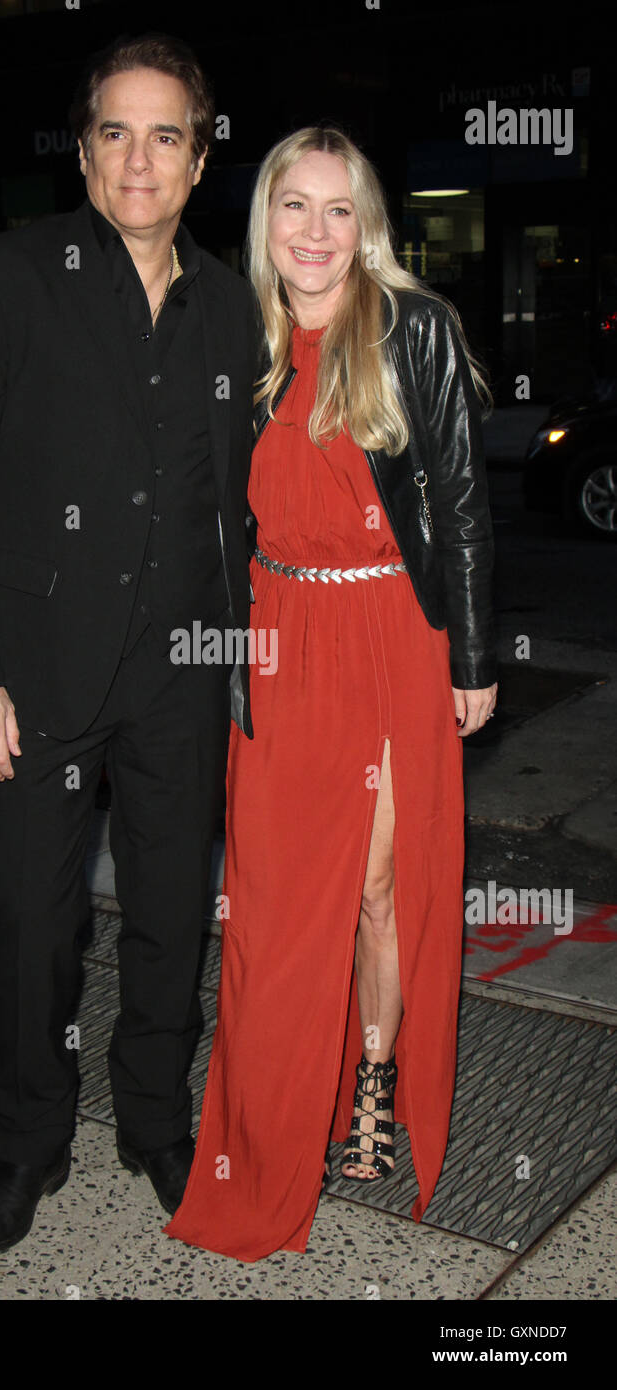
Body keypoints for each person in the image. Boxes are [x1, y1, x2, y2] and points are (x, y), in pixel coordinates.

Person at [0, 33, 259, 1253]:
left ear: (202, 157)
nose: (139, 158)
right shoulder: (7, 277)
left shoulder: (234, 303)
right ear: (84, 144)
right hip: (36, 679)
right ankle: (29, 1144)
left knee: (172, 914)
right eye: (115, 130)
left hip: (181, 679)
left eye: (167, 134)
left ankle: (156, 1124)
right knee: (36, 927)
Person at [164, 126, 498, 1262]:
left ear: (368, 225)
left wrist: (472, 661)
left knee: (373, 888)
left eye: (338, 208)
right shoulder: (231, 332)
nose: (314, 231)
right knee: (269, 901)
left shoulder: (415, 330)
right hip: (276, 633)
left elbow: (457, 500)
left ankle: (369, 1077)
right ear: (264, 221)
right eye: (292, 206)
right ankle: (263, 1127)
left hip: (390, 633)